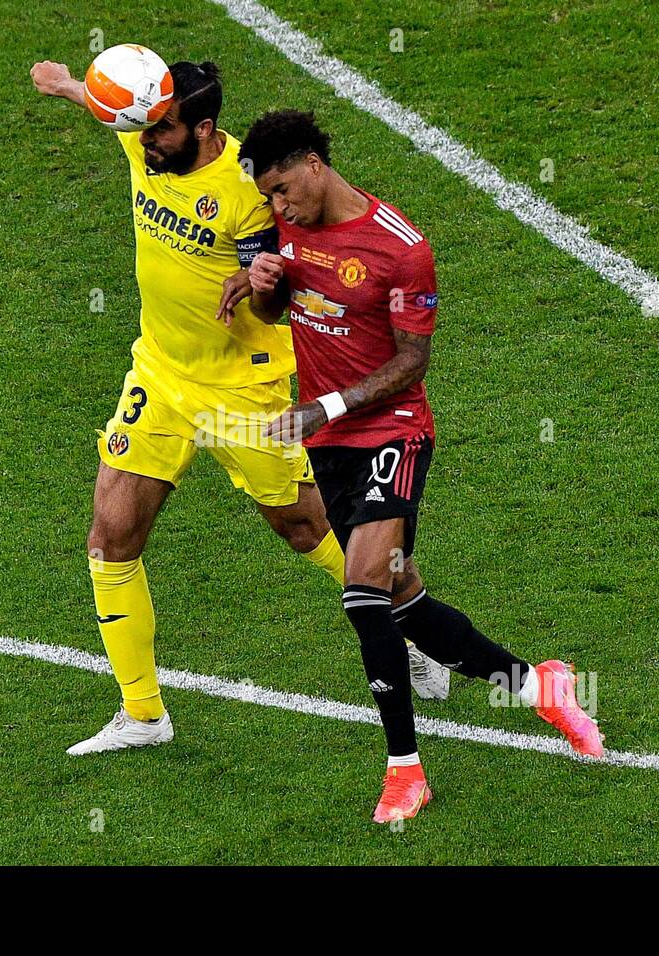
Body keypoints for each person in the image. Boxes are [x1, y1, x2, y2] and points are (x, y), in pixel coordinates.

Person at [30, 61, 452, 754]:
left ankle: (414, 625)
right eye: (138, 124)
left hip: (241, 385)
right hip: (160, 374)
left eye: (157, 128)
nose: (142, 140)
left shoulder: (245, 194)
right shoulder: (146, 140)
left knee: (300, 525)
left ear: (200, 128)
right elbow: (116, 112)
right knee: (111, 536)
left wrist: (253, 277)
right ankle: (143, 713)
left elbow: (274, 288)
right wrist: (73, 86)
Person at [239, 109, 604, 821]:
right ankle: (538, 687)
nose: (278, 208)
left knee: (363, 592)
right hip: (329, 442)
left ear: (314, 163)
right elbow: (282, 312)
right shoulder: (286, 231)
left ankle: (406, 771)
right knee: (404, 603)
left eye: (283, 189)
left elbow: (413, 361)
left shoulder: (400, 249)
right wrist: (263, 285)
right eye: (269, 199)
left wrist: (330, 407)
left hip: (391, 431)